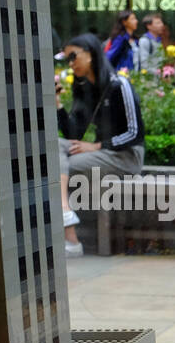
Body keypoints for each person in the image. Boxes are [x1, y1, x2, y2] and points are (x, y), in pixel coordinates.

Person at [55, 33, 146, 257]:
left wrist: (97, 146)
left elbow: (135, 133)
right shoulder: (87, 90)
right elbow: (74, 134)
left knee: (54, 165)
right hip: (103, 152)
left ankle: (71, 237)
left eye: (74, 56)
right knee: (52, 146)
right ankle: (66, 215)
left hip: (126, 156)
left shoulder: (118, 85)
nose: (71, 63)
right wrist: (56, 103)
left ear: (92, 54)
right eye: (67, 58)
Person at [104, 10, 138, 74]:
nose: (136, 21)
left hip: (135, 76)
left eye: (135, 18)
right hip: (123, 77)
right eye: (132, 19)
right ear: (124, 22)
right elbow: (109, 57)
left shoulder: (136, 40)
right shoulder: (120, 39)